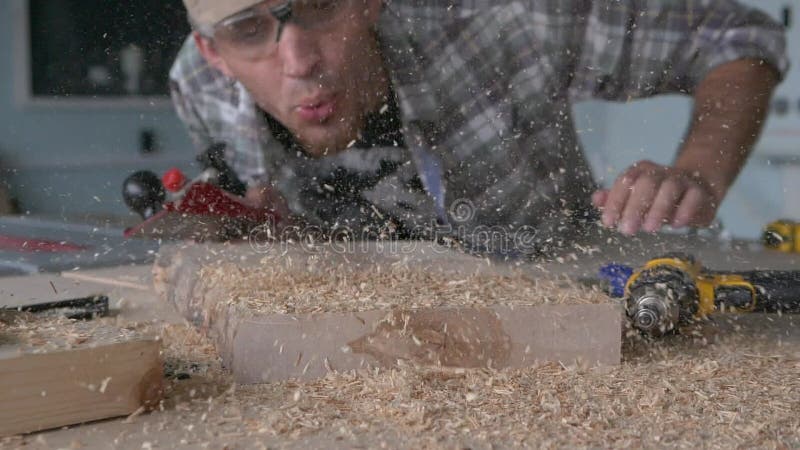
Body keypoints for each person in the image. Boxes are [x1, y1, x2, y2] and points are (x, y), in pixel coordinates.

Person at [170, 0, 787, 255]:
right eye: (250, 30)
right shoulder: (198, 87)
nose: (300, 62)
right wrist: (248, 228)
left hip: (557, 321)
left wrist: (699, 170)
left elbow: (736, 35)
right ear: (213, 53)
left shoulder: (497, 22)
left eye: (322, 5)